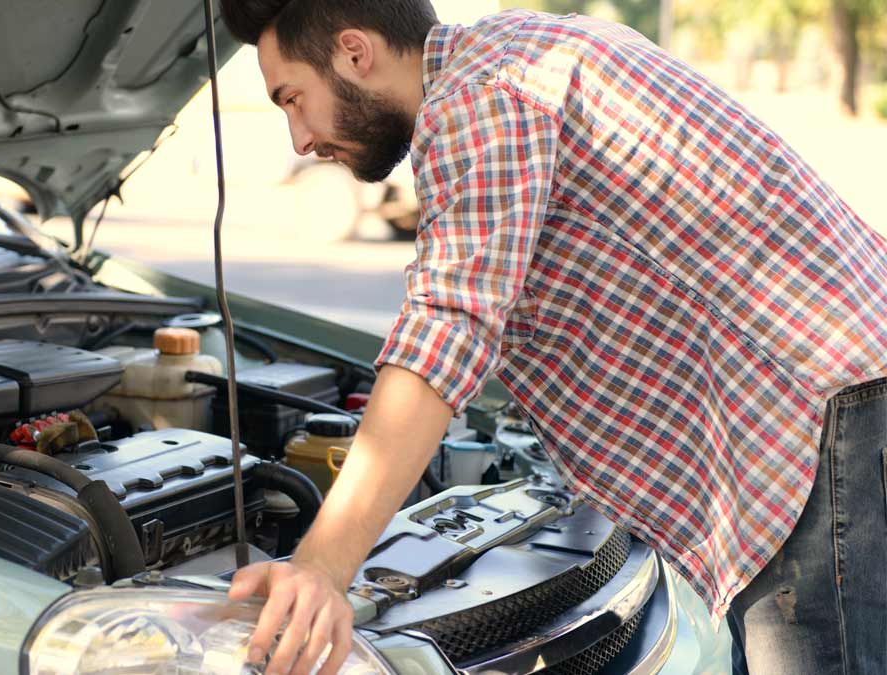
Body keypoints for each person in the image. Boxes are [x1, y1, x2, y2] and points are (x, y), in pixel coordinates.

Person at [216, 2, 887, 674]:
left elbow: (449, 321)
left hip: (817, 421)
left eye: (293, 99)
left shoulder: (479, 97)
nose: (299, 139)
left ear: (355, 51)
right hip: (823, 419)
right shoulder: (524, 50)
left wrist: (322, 566)